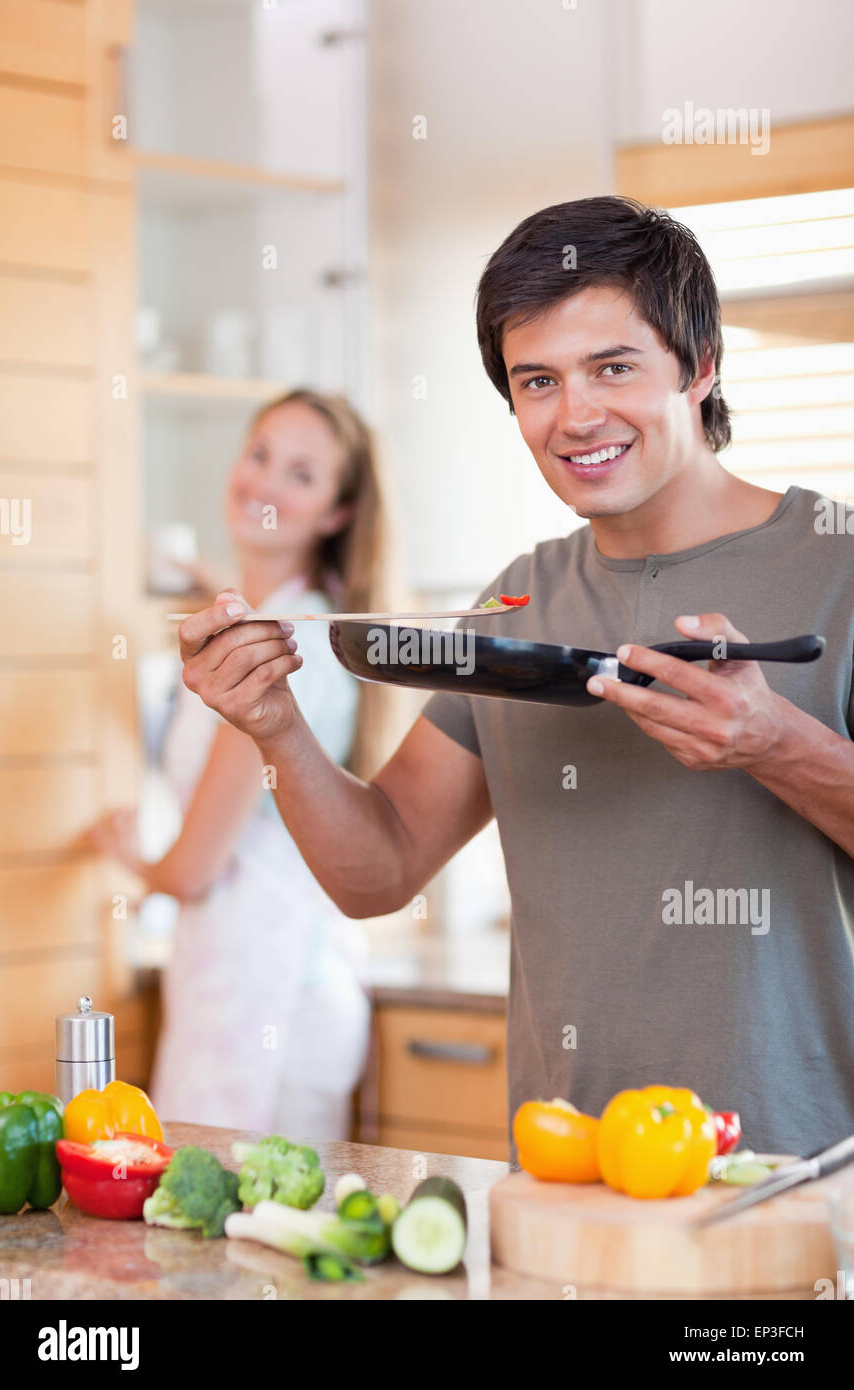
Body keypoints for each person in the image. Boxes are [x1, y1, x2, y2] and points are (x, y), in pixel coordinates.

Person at [176, 197, 854, 1163]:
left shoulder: (837, 565)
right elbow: (382, 870)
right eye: (538, 381)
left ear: (701, 365)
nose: (576, 416)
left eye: (613, 368)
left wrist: (776, 744)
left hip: (800, 1184)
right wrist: (276, 730)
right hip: (566, 1177)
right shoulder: (519, 601)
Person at [89, 388, 395, 1137]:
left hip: (265, 988)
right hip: (260, 973)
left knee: (241, 1232)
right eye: (258, 455)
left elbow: (192, 869)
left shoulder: (274, 650)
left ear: (337, 513)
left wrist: (133, 858)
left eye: (299, 474)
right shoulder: (294, 616)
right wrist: (200, 574)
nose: (262, 484)